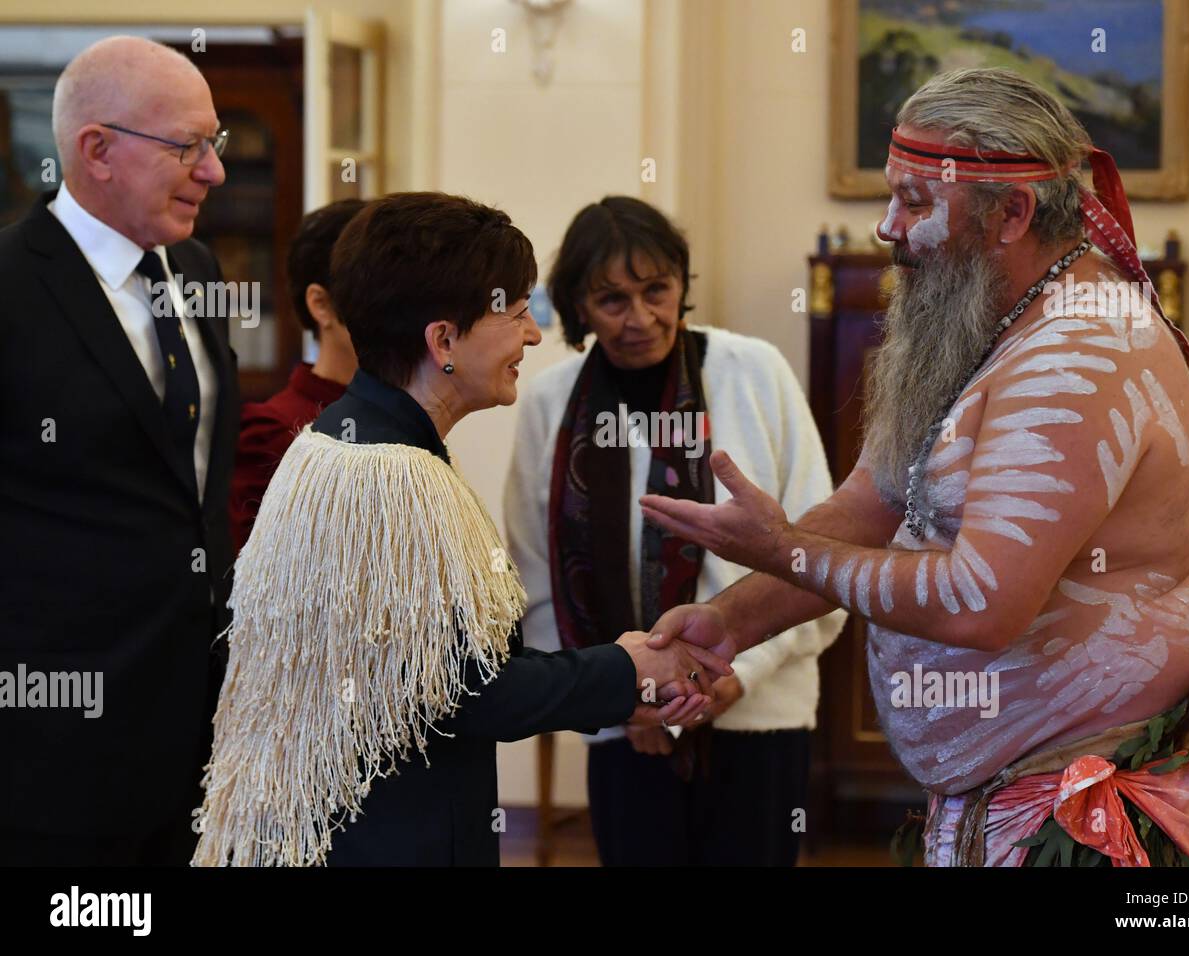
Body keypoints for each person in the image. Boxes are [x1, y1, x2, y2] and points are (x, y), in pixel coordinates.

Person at [641, 69, 1189, 867]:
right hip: (1001, 801)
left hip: (1088, 812)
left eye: (917, 202)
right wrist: (728, 625)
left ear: (1013, 213)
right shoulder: (980, 314)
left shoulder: (1081, 349)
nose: (887, 227)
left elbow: (982, 603)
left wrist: (780, 548)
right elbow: (867, 505)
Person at [191, 192, 721, 867]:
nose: (532, 334)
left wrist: (618, 676)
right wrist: (626, 672)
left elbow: (441, 674)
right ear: (443, 341)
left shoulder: (345, 442)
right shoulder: (393, 477)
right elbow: (470, 694)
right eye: (515, 311)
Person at [504, 196, 844, 866]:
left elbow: (818, 551)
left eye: (657, 290)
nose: (641, 319)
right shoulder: (550, 401)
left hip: (758, 709)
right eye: (611, 300)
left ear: (682, 283)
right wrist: (623, 696)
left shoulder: (755, 370)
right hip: (622, 725)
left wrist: (736, 676)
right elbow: (530, 573)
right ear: (576, 306)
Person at [0, 36, 235, 865]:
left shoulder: (200, 268)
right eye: (187, 147)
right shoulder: (11, 288)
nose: (213, 172)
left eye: (216, 143)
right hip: (51, 750)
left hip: (201, 728)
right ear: (97, 151)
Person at [228, 198, 366, 554]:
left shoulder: (412, 413)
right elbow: (254, 579)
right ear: (321, 304)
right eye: (376, 291)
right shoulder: (274, 429)